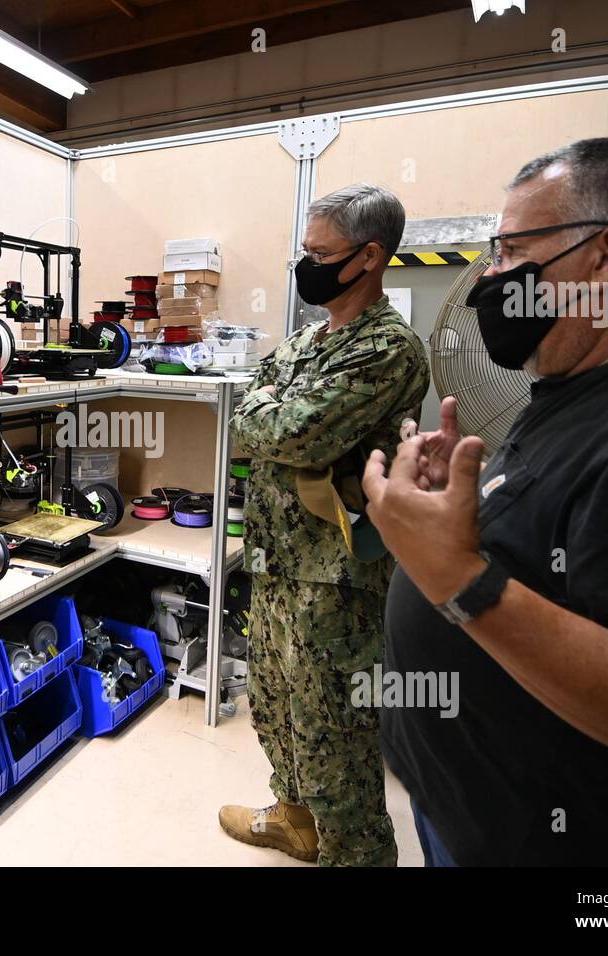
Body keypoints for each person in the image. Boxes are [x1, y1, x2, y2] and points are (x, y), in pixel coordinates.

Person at [365, 138, 608, 865]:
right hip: (473, 814)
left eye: (513, 251)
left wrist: (457, 577)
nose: (492, 276)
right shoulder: (600, 372)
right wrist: (472, 503)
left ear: (606, 254)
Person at [221, 183, 430, 866]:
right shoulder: (309, 341)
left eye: (319, 254)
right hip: (276, 562)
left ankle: (357, 854)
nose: (304, 266)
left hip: (336, 575)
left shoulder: (391, 348)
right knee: (277, 709)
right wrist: (267, 409)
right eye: (303, 253)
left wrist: (268, 409)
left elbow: (292, 431)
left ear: (368, 257)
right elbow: (255, 412)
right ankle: (293, 821)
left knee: (334, 734)